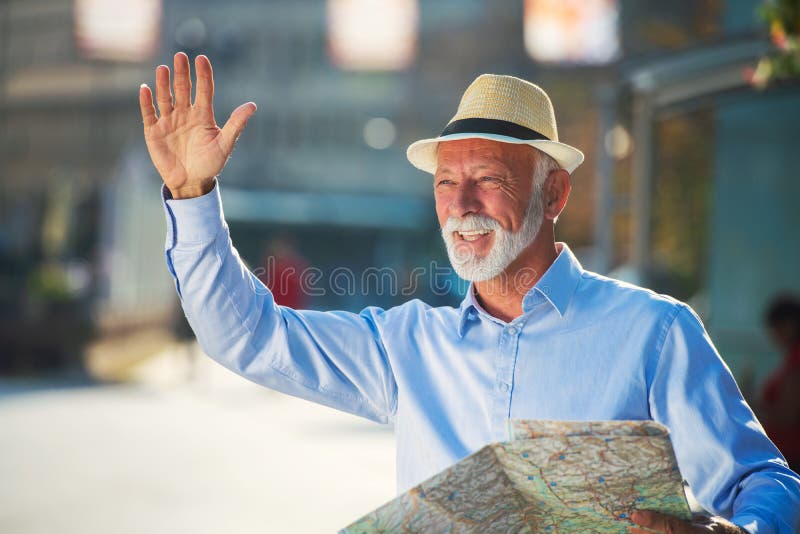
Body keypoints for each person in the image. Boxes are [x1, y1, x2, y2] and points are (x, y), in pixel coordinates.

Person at [139, 52, 799, 533]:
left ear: (555, 194)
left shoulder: (653, 332)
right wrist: (193, 197)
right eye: (446, 184)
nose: (462, 206)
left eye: (487, 179)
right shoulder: (407, 346)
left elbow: (767, 484)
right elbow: (247, 336)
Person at [761, 294, 800, 470]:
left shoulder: (796, 359)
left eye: (776, 327)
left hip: (791, 455)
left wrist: (752, 410)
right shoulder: (791, 358)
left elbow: (788, 414)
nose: (773, 335)